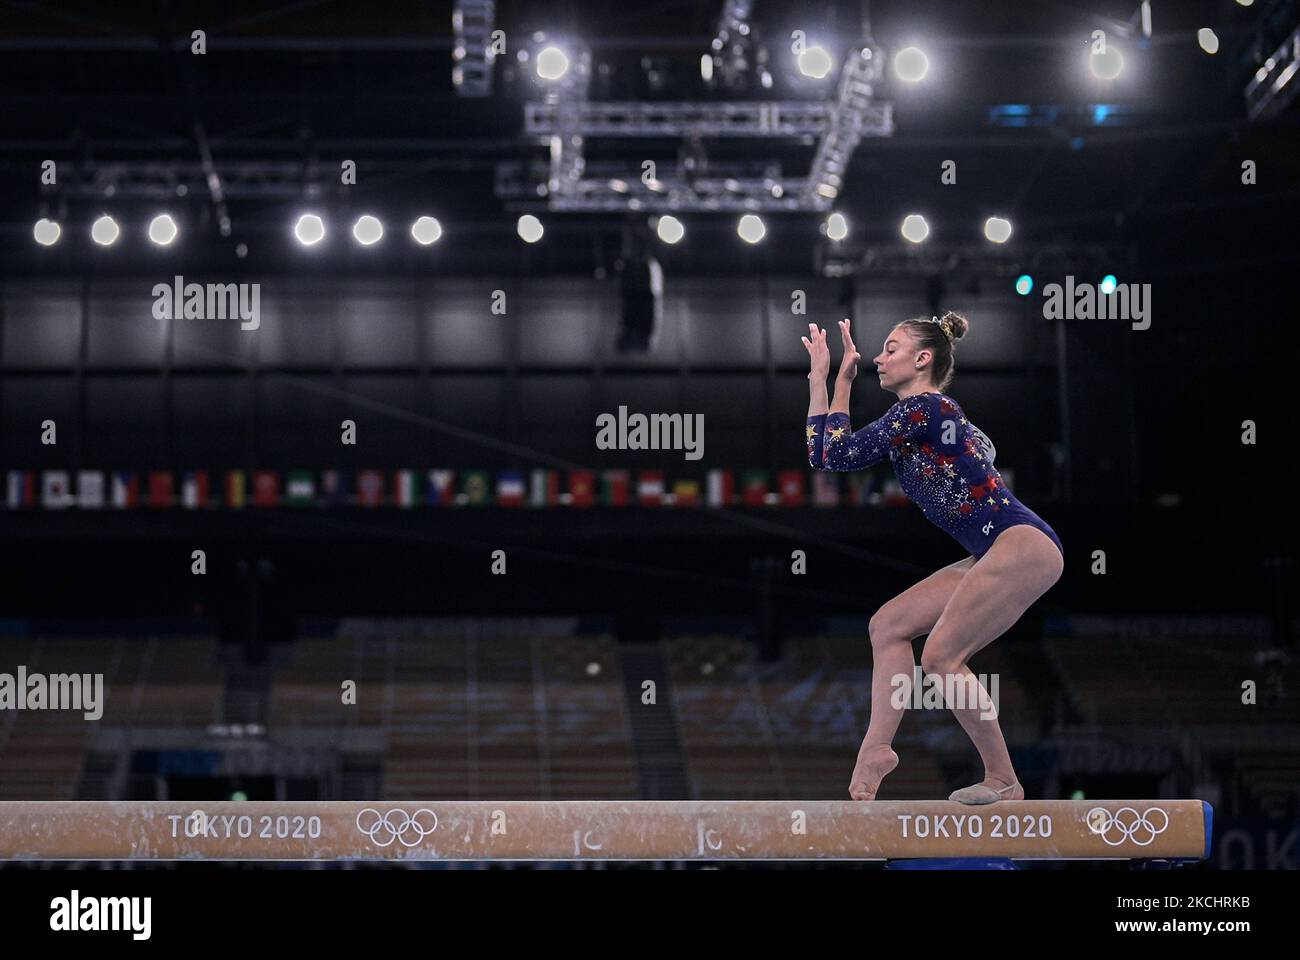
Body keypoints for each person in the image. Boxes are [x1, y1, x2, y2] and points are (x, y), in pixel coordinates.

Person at [802, 312, 1063, 804]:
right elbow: (824, 456)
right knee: (889, 625)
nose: (879, 357)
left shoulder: (922, 409)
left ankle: (1004, 778)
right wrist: (828, 380)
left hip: (1021, 542)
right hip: (996, 548)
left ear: (923, 359)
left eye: (891, 347)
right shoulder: (927, 419)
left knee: (942, 655)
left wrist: (836, 382)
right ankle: (878, 746)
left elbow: (834, 454)